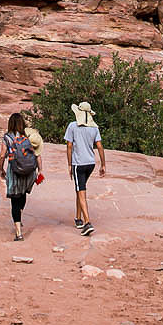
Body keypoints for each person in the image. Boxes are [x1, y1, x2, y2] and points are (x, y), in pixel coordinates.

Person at [64, 101, 105, 236]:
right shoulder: (94, 128)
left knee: (81, 191)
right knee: (79, 188)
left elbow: (69, 146)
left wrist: (69, 164)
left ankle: (87, 222)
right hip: (90, 163)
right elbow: (99, 146)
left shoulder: (73, 126)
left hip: (78, 163)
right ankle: (78, 218)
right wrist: (103, 164)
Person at [0, 112, 40, 241]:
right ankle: (20, 216)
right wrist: (40, 170)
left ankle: (18, 233)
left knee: (14, 200)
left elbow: (2, 155)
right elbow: (37, 153)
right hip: (29, 172)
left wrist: (1, 169)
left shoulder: (7, 137)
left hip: (15, 171)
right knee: (22, 195)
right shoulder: (28, 136)